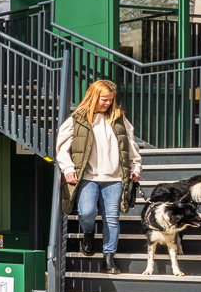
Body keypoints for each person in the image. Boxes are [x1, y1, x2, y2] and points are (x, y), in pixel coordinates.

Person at [55, 78, 142, 275]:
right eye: (104, 99)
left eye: (111, 99)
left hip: (115, 178)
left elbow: (131, 145)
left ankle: (109, 258)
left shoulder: (119, 119)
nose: (108, 103)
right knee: (87, 212)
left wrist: (136, 167)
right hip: (88, 177)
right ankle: (88, 232)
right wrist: (68, 169)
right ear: (94, 97)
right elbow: (61, 148)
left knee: (112, 219)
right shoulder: (77, 119)